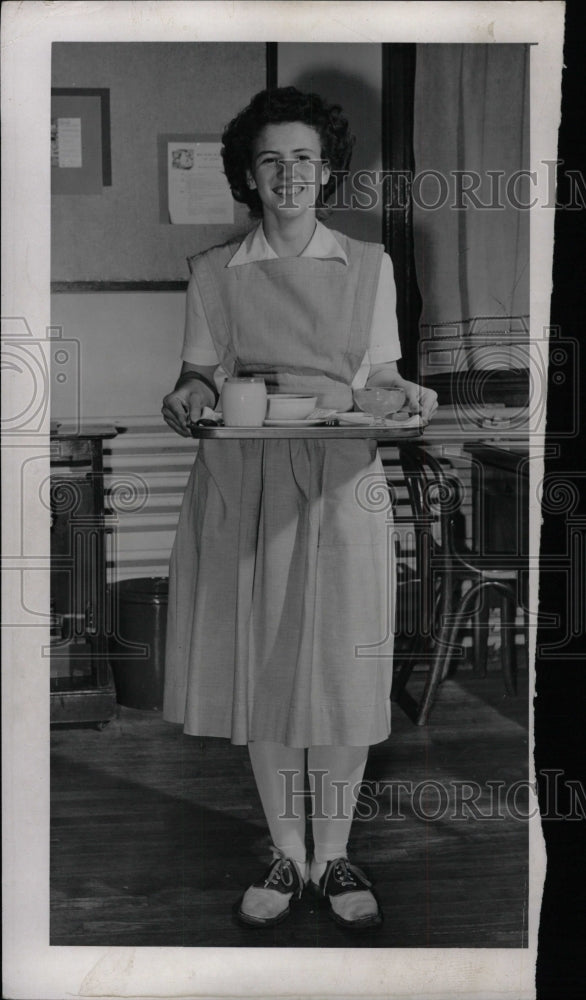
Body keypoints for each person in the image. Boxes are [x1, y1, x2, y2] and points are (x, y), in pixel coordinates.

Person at [161, 86, 438, 931]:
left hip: (340, 483)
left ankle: (336, 850)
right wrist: (186, 394)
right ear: (249, 174)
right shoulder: (214, 273)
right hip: (241, 488)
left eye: (304, 159)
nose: (289, 175)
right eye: (271, 160)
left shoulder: (371, 267)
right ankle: (289, 851)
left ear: (327, 173)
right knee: (265, 673)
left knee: (344, 676)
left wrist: (403, 396)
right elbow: (201, 376)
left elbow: (378, 379)